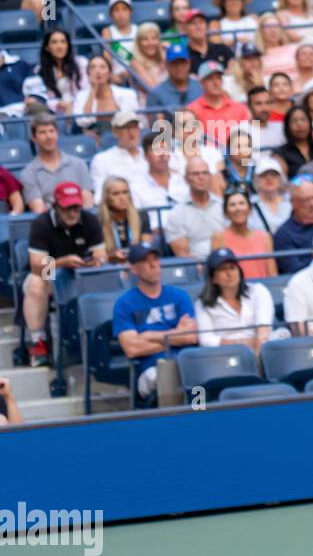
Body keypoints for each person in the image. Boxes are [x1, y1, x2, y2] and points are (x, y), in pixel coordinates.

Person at [23, 182, 107, 367]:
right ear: (56, 206)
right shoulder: (41, 223)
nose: (72, 213)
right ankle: (38, 343)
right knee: (36, 284)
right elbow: (37, 266)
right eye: (67, 208)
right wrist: (62, 262)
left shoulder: (90, 220)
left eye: (76, 208)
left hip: (82, 275)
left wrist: (95, 262)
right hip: (51, 275)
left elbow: (101, 256)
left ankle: (102, 342)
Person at [114, 242, 199, 401]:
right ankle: (171, 422)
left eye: (155, 259)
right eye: (145, 261)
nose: (153, 264)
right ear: (133, 268)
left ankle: (199, 414)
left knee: (199, 377)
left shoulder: (180, 296)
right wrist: (175, 337)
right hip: (150, 368)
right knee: (167, 378)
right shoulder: (124, 304)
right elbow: (132, 349)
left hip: (185, 361)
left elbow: (190, 337)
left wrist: (147, 335)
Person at [195, 247, 275, 352]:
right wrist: (241, 344)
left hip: (261, 348)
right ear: (212, 278)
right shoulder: (203, 303)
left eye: (232, 267)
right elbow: (206, 340)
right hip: (225, 354)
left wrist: (258, 347)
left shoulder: (258, 291)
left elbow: (264, 327)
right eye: (222, 269)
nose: (229, 273)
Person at [18, 114, 93, 213]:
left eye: (51, 131)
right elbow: (38, 210)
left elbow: (87, 202)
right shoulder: (28, 173)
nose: (48, 137)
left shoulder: (79, 164)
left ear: (57, 134)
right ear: (34, 138)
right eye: (42, 132)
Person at [163, 156, 225, 258]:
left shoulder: (223, 207)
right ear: (186, 179)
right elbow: (183, 254)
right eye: (195, 174)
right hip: (196, 268)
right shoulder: (176, 214)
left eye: (205, 173)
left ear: (210, 177)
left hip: (226, 262)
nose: (201, 177)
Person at [210, 189, 276, 280]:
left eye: (241, 203)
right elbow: (217, 273)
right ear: (226, 212)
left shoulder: (265, 237)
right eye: (232, 205)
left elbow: (272, 272)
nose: (238, 208)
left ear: (250, 209)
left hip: (261, 290)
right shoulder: (219, 237)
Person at [188, 62, 250, 148]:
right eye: (210, 79)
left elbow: (247, 138)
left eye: (218, 78)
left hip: (236, 156)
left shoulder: (239, 108)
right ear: (201, 83)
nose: (215, 82)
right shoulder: (191, 110)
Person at [91, 111, 147, 201]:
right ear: (115, 131)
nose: (132, 133)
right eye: (126, 128)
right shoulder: (102, 160)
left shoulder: (152, 156)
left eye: (135, 127)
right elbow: (100, 197)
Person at [145, 44, 202, 111]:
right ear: (167, 65)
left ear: (189, 63)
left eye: (182, 62)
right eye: (174, 63)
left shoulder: (201, 88)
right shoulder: (156, 93)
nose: (179, 67)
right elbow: (153, 120)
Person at [248, 155, 292, 233]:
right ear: (256, 179)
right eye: (263, 174)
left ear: (280, 178)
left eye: (274, 174)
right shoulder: (249, 204)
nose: (269, 178)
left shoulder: (291, 201)